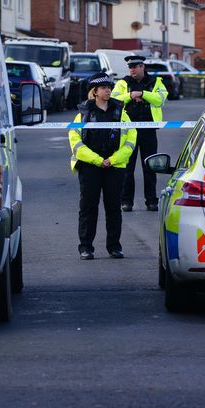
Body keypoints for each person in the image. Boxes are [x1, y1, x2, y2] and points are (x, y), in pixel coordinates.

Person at [68, 72, 137, 260]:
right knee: (88, 207)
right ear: (95, 92)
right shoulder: (82, 114)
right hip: (90, 166)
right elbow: (76, 143)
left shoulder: (121, 112)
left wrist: (112, 160)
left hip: (114, 166)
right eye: (104, 88)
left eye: (110, 87)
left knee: (113, 207)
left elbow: (131, 140)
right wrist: (98, 160)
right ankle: (86, 247)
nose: (108, 90)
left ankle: (114, 246)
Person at [111, 54, 168, 212]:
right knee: (127, 168)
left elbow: (160, 99)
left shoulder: (156, 82)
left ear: (142, 67)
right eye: (130, 67)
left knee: (150, 166)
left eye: (135, 67)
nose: (132, 70)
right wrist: (130, 95)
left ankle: (151, 201)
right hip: (128, 131)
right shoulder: (123, 83)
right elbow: (114, 100)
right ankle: (126, 201)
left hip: (148, 130)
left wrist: (143, 94)